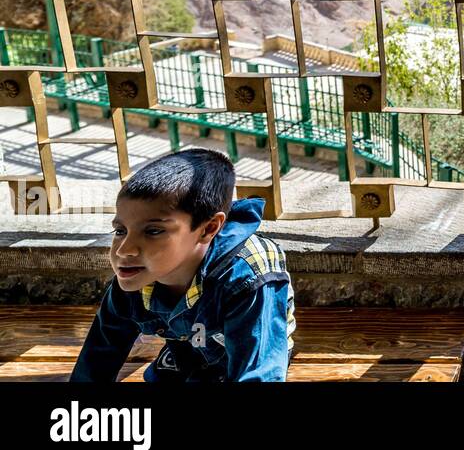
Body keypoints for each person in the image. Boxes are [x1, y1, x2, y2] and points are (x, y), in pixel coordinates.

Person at [70, 148, 296, 382]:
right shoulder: (135, 275)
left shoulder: (247, 277)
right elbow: (98, 358)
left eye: (153, 231)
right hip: (186, 345)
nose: (124, 250)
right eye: (120, 230)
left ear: (208, 228)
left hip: (248, 351)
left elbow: (258, 373)